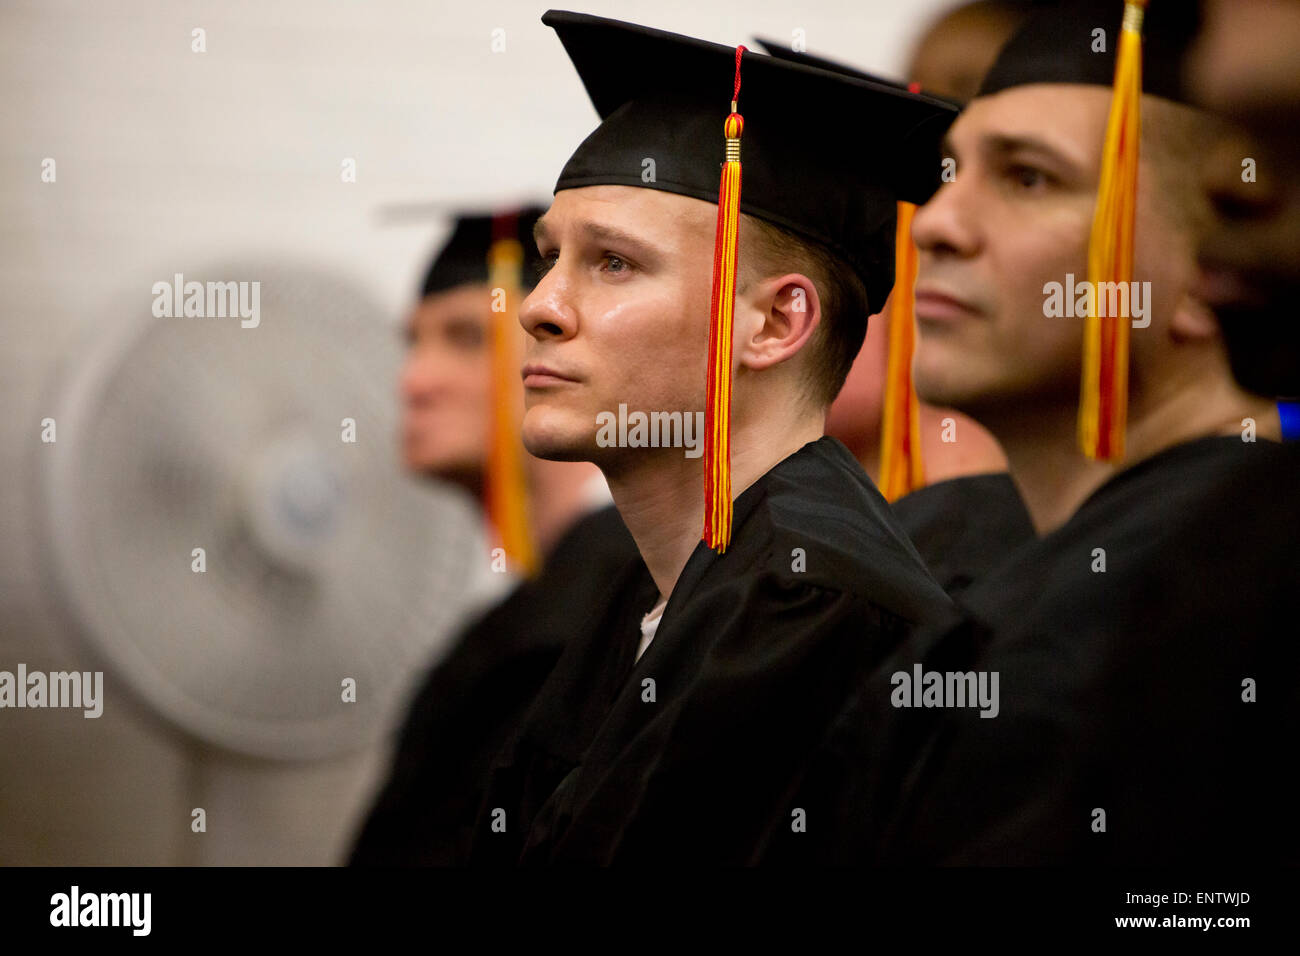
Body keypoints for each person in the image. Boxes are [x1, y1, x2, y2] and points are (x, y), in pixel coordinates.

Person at [759, 0, 1295, 865]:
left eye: (1028, 177)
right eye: (949, 170)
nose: (934, 222)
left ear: (1216, 266)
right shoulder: (1025, 559)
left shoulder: (1212, 609)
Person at [467, 11, 956, 865]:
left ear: (776, 321)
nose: (540, 305)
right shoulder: (657, 592)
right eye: (550, 257)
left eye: (613, 262)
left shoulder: (808, 606)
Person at [349, 208, 639, 865]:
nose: (413, 381)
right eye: (413, 344)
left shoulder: (616, 609)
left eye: (466, 337)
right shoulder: (521, 608)